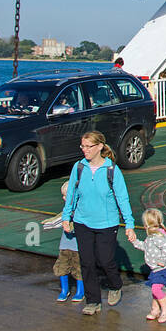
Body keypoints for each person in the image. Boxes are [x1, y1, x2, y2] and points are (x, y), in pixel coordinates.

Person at [61, 131, 139, 316]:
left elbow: (123, 198)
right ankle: (93, 301)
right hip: (82, 222)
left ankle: (115, 285)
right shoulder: (78, 167)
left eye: (88, 146)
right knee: (87, 262)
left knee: (105, 260)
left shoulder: (112, 170)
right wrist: (66, 217)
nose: (85, 150)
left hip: (107, 223)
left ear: (100, 147)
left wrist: (129, 224)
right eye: (83, 146)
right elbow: (71, 192)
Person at [131, 208, 166, 323]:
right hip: (156, 269)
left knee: (156, 289)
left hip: (163, 269)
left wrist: (162, 260)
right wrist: (135, 242)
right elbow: (146, 247)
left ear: (146, 225)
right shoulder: (150, 238)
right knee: (155, 289)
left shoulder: (158, 237)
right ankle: (155, 309)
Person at [53, 183, 85, 302]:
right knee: (62, 267)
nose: (63, 198)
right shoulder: (65, 210)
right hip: (65, 244)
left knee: (79, 268)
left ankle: (80, 291)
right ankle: (64, 290)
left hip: (77, 246)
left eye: (65, 195)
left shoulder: (80, 210)